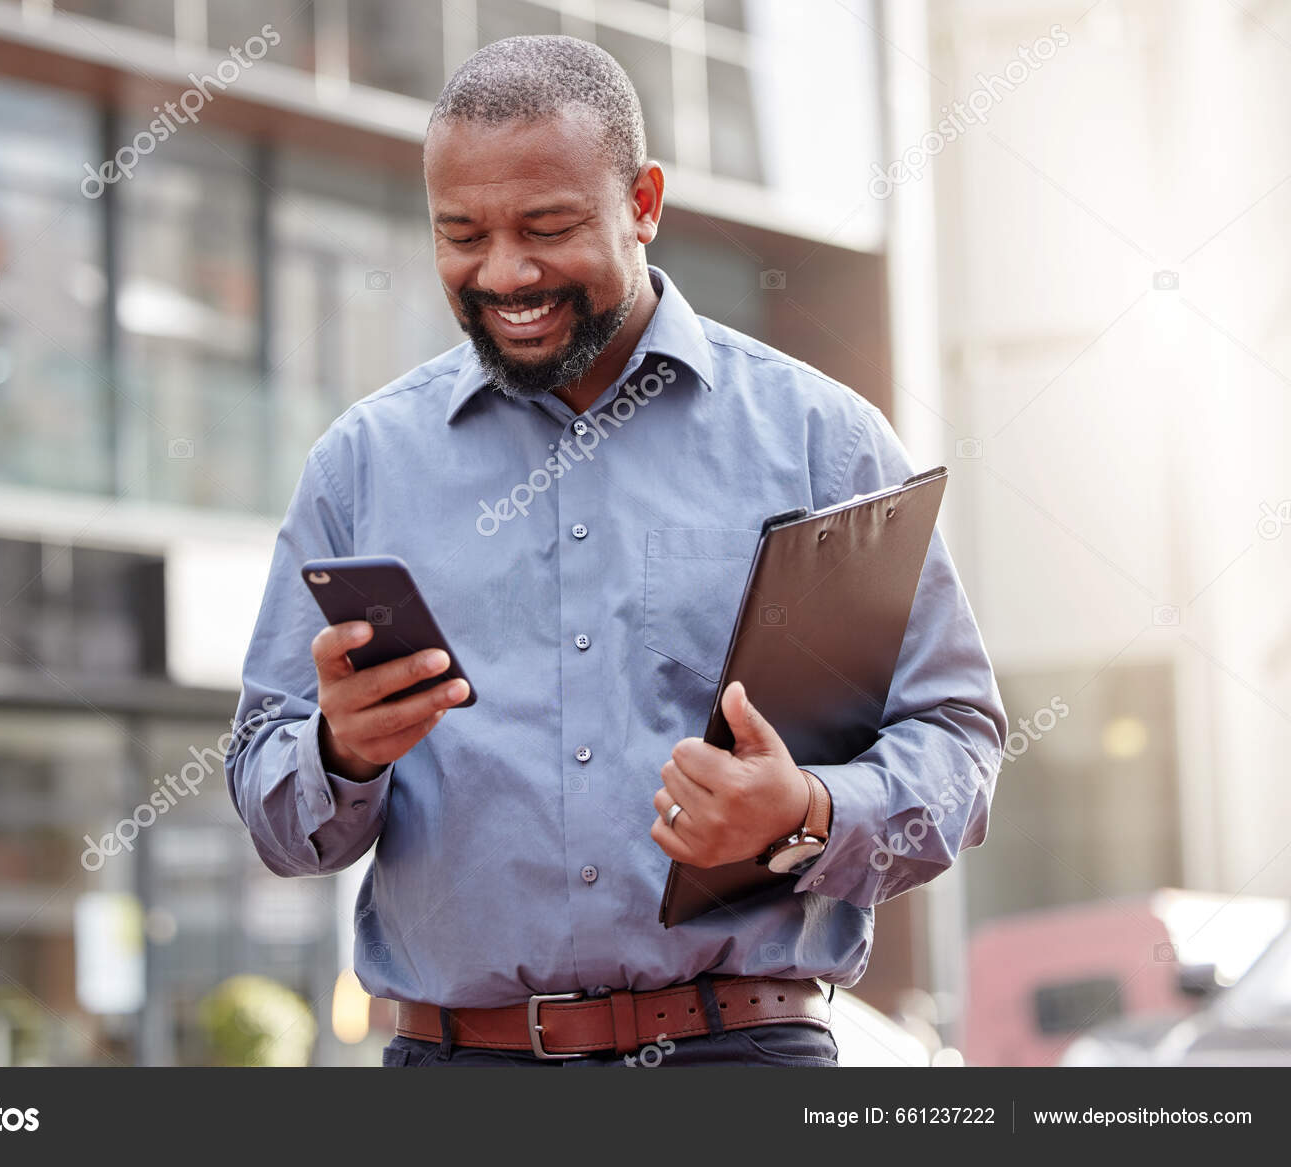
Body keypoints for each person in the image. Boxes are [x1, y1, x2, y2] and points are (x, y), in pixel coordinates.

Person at [226, 35, 1007, 1067]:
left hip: (740, 1060)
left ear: (642, 203)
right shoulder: (362, 466)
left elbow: (959, 741)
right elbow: (271, 805)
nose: (504, 274)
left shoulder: (822, 440)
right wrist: (340, 753)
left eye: (547, 229)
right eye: (460, 234)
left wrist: (814, 811)